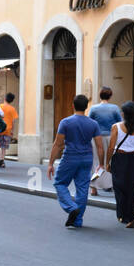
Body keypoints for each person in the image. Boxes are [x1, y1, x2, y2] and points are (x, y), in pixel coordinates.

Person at [48, 94, 99, 228]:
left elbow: (58, 144)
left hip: (70, 156)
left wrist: (50, 163)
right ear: (87, 106)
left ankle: (71, 208)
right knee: (82, 189)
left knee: (59, 183)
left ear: (73, 105)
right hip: (87, 158)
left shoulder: (66, 122)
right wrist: (102, 164)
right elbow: (99, 146)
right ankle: (77, 221)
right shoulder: (93, 124)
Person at [104, 100, 134, 228]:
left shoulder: (116, 127)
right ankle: (133, 215)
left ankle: (123, 216)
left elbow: (111, 147)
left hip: (120, 158)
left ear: (125, 114)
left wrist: (107, 162)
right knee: (132, 186)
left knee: (119, 186)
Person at [88, 88, 123, 196]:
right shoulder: (115, 108)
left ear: (100, 95)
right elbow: (120, 123)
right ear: (110, 96)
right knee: (110, 161)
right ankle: (109, 185)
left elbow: (89, 122)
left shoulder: (93, 108)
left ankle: (94, 187)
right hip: (110, 137)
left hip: (96, 137)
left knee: (96, 162)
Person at [0, 93, 19, 168]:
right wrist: (12, 130)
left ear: (5, 98)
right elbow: (13, 121)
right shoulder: (12, 109)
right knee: (4, 147)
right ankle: (2, 160)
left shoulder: (0, 106)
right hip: (8, 129)